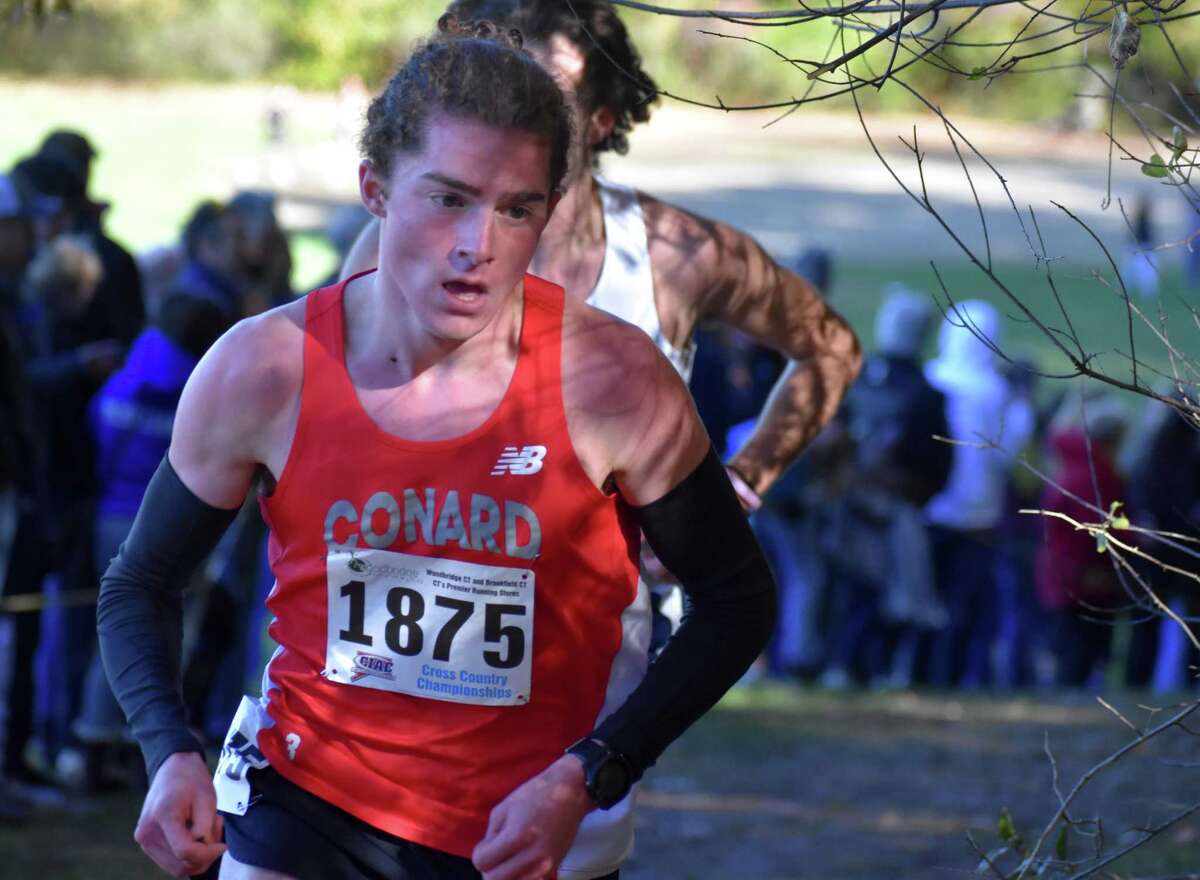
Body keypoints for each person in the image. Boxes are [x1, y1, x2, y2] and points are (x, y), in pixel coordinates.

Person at [99, 21, 775, 880]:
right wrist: (169, 750)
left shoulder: (613, 381)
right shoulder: (264, 367)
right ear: (375, 190)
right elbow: (141, 581)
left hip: (530, 836)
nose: (477, 246)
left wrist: (595, 770)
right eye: (448, 198)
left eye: (517, 209)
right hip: (306, 806)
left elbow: (737, 598)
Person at [343, 0, 861, 509]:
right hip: (435, 579)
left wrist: (742, 481)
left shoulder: (677, 254)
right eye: (489, 94)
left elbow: (830, 347)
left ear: (600, 120)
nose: (510, 120)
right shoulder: (397, 243)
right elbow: (337, 415)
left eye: (547, 98)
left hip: (628, 593)